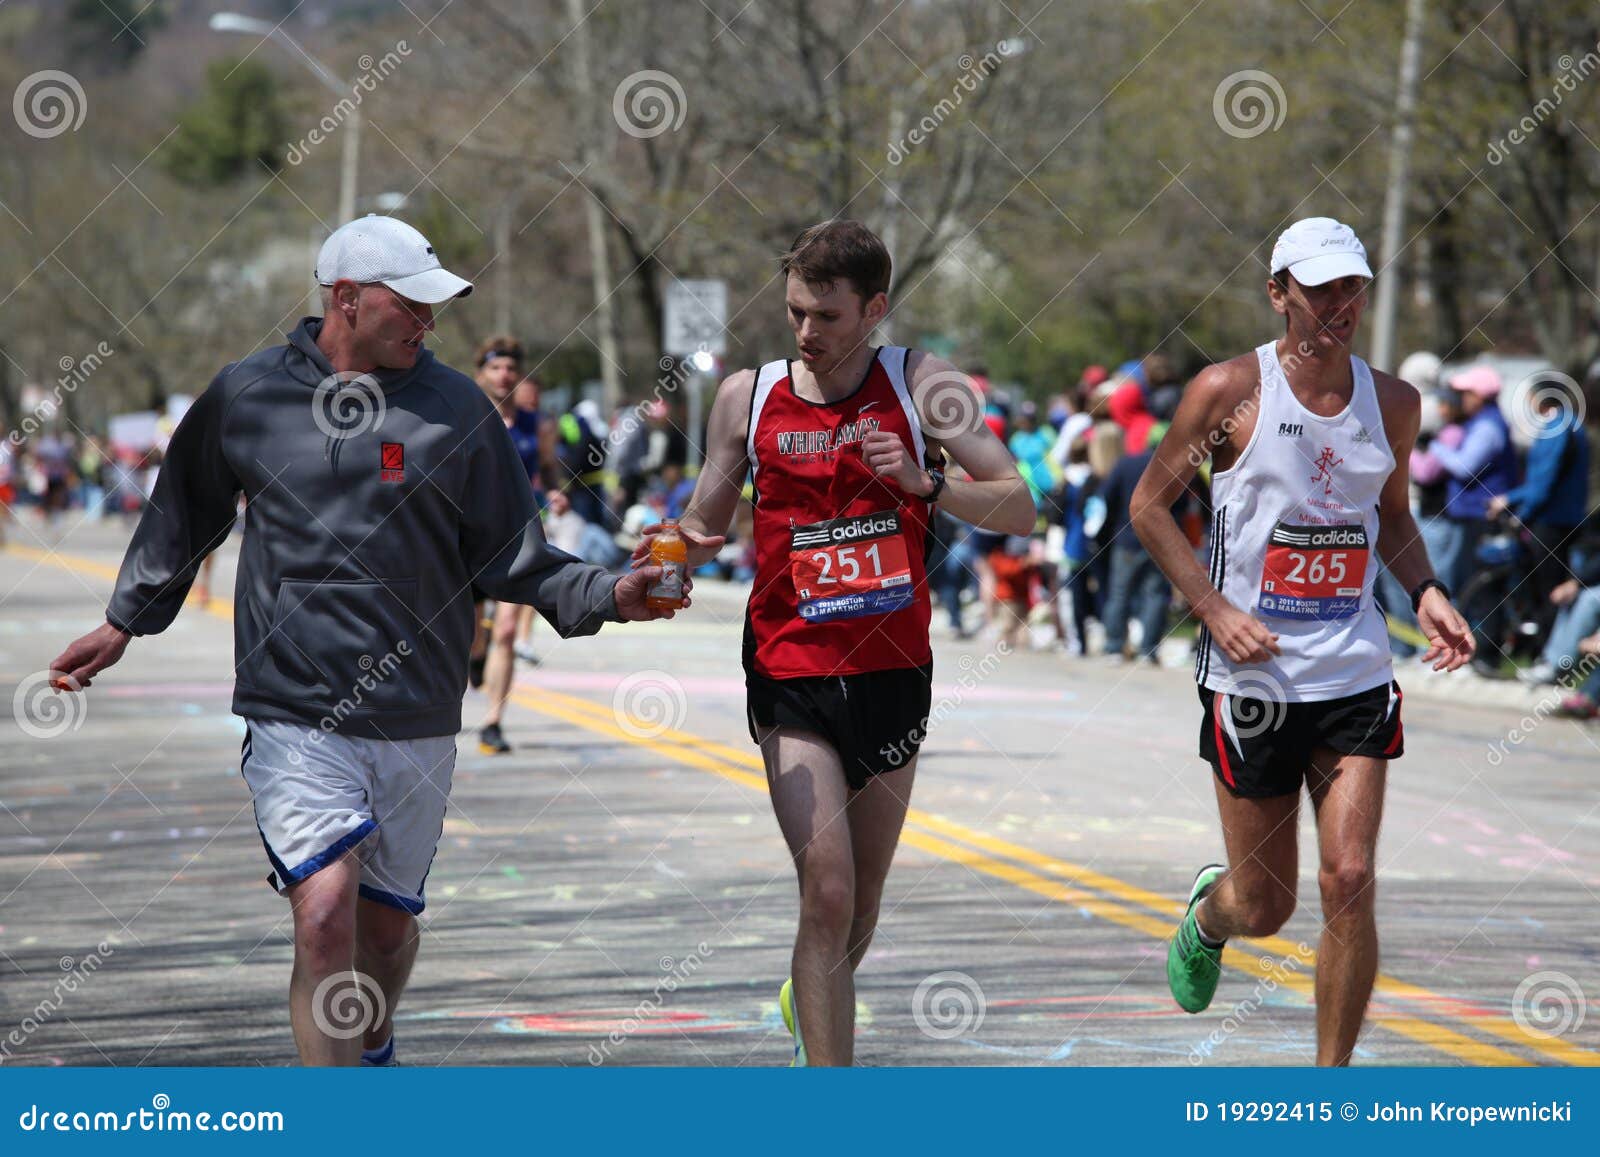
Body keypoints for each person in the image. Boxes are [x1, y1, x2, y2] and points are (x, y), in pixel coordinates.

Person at [47, 215, 685, 1067]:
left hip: (417, 713)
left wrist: (611, 590)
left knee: (383, 938)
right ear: (345, 299)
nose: (429, 322)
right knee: (323, 916)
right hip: (295, 709)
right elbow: (182, 512)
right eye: (410, 304)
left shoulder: (455, 407)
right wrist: (126, 618)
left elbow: (514, 555)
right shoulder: (248, 395)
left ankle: (374, 1044)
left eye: (435, 306)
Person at [633, 219, 1034, 1066]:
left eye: (828, 316)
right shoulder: (750, 395)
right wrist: (668, 547)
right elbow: (707, 519)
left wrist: (928, 483)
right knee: (828, 889)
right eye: (794, 313)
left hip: (893, 667)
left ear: (875, 308)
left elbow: (1019, 503)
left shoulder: (925, 385)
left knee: (863, 901)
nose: (807, 334)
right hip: (791, 670)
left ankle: (815, 989)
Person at [1130, 216, 1473, 1066]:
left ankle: (1333, 1092)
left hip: (1354, 669)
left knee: (1349, 880)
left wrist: (1426, 588)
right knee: (1267, 904)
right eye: (1319, 288)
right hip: (1254, 677)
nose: (1339, 304)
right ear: (1278, 292)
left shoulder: (1394, 401)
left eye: (1352, 286)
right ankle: (1213, 913)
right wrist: (1211, 607)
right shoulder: (1227, 390)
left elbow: (1390, 517)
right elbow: (1148, 505)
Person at [470, 335, 555, 755]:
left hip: (518, 536)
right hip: (467, 537)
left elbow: (548, 468)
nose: (504, 375)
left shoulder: (532, 423)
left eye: (510, 369)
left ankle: (492, 723)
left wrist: (556, 492)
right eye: (495, 368)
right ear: (481, 372)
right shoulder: (465, 416)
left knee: (506, 631)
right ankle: (475, 654)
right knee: (471, 638)